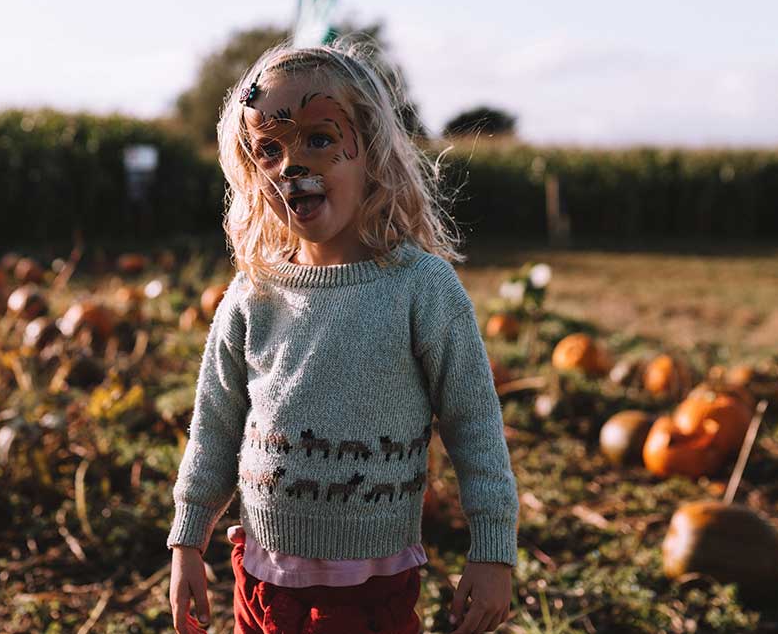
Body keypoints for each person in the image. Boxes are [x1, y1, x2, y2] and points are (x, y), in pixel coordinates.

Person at [167, 40, 519, 634]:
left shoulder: (421, 288)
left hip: (371, 588)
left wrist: (492, 551)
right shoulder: (253, 294)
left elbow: (475, 427)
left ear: (372, 153)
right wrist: (187, 539)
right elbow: (215, 428)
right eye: (269, 150)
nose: (293, 166)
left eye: (320, 139)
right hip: (260, 575)